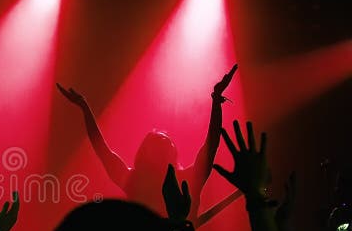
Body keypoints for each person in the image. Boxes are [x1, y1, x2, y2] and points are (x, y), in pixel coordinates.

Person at [56, 64, 237, 221]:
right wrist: (84, 107)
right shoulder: (132, 180)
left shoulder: (186, 180)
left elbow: (211, 145)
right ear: (145, 152)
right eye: (157, 142)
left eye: (166, 142)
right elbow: (101, 148)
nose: (162, 143)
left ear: (172, 151)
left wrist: (216, 100)